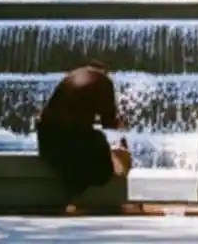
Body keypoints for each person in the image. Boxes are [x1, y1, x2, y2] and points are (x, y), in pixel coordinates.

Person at [37, 61, 129, 208]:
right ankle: (88, 200)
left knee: (92, 140)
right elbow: (108, 122)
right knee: (102, 147)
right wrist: (122, 127)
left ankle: (74, 196)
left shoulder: (72, 77)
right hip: (72, 140)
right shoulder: (104, 82)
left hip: (46, 139)